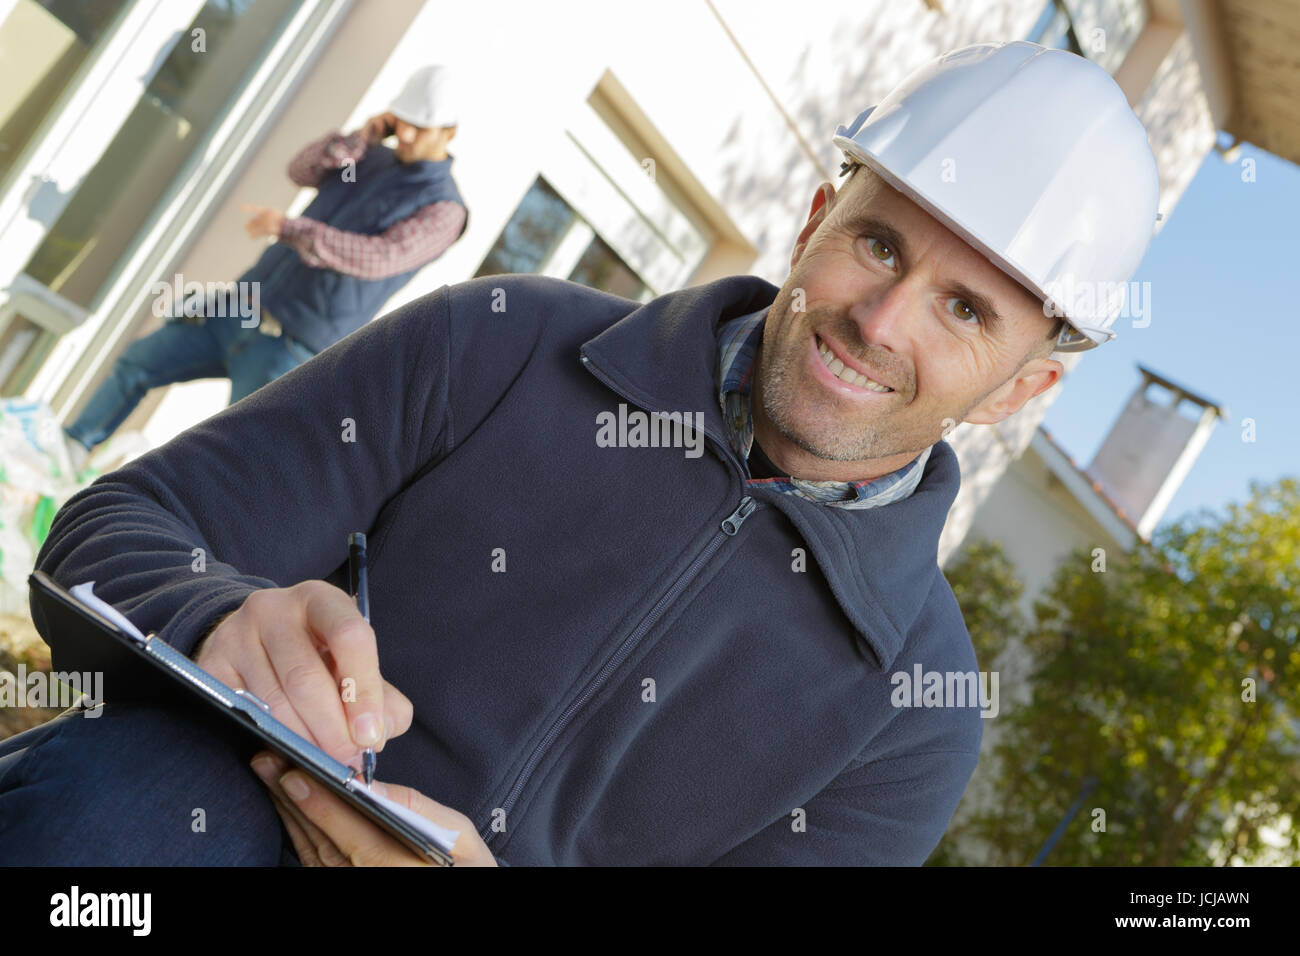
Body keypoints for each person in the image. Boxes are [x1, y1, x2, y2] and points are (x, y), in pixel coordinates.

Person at [2, 41, 1159, 865]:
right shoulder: (500, 341)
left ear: (1025, 387)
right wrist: (209, 615)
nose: (881, 320)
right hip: (176, 836)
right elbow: (106, 538)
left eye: (966, 311)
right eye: (877, 242)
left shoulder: (918, 710)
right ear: (814, 222)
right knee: (120, 815)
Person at [61, 64, 468, 468]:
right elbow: (301, 169)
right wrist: (359, 139)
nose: (408, 135)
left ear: (449, 132)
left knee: (230, 457)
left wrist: (289, 228)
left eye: (422, 128)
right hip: (241, 306)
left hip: (288, 348)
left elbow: (378, 257)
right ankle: (65, 458)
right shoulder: (367, 156)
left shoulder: (444, 209)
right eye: (405, 122)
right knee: (138, 362)